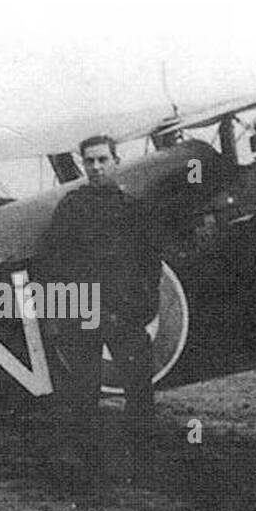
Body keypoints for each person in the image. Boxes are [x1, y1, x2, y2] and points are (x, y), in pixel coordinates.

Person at [34, 134, 162, 487]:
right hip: (84, 315)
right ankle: (86, 468)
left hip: (124, 315)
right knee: (82, 392)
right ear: (83, 164)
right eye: (89, 161)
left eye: (103, 160)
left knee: (139, 391)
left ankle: (143, 465)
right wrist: (58, 317)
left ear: (116, 161)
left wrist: (141, 308)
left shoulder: (133, 208)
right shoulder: (71, 207)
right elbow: (52, 262)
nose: (96, 167)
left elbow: (150, 265)